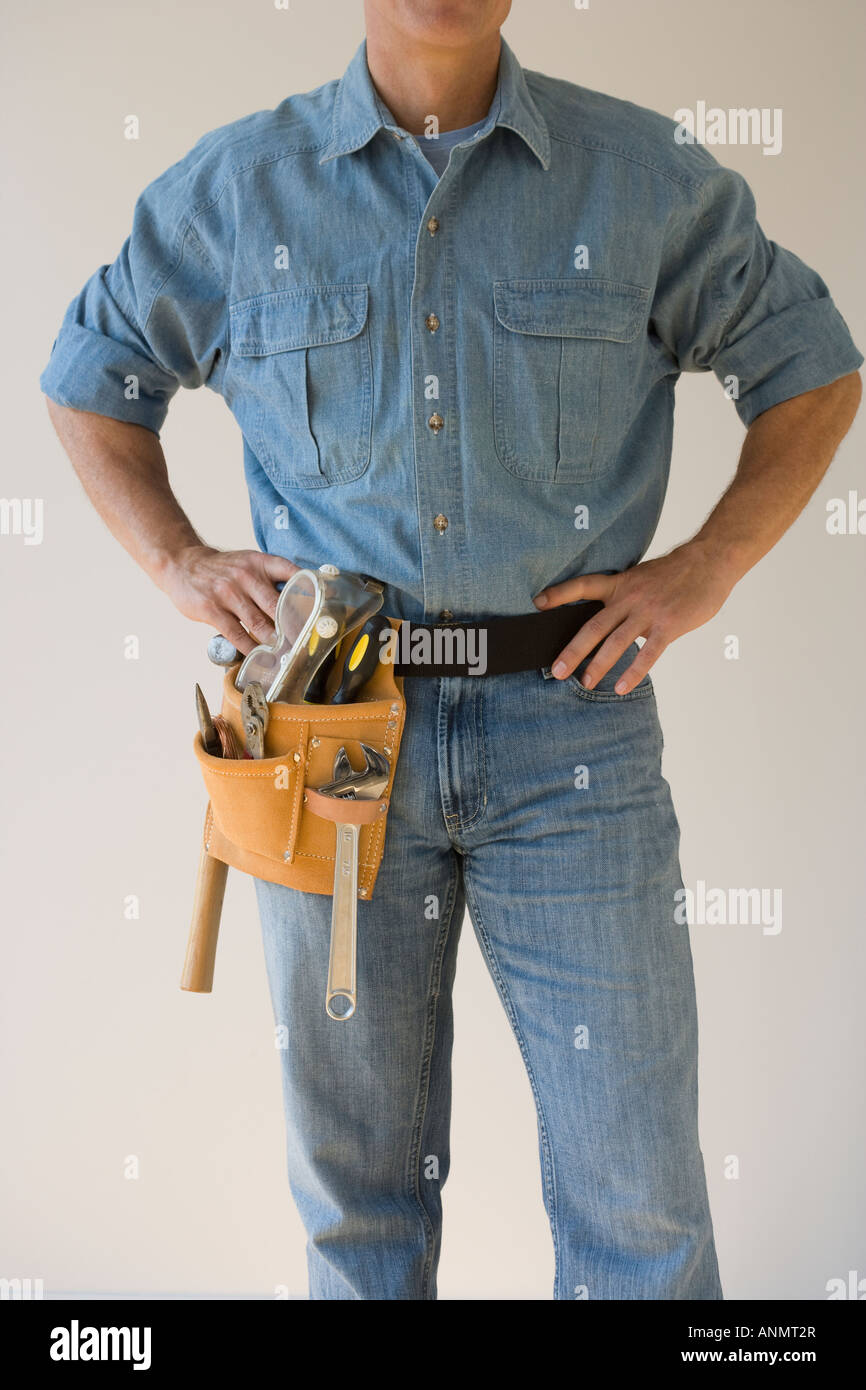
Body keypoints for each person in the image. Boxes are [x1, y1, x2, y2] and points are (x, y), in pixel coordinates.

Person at [40, 0, 861, 1300]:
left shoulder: (641, 178)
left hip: (572, 728)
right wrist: (178, 562)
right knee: (358, 1197)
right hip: (326, 743)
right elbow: (92, 373)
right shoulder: (240, 189)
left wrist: (702, 568)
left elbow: (809, 365)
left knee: (637, 1201)